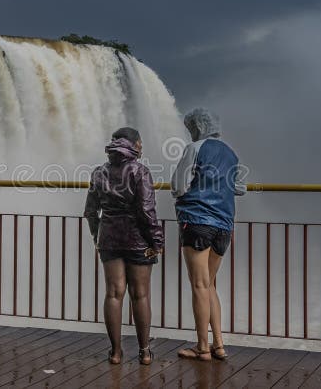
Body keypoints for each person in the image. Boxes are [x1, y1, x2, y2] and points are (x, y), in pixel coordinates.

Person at [171, 108, 246, 361]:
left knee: (199, 285)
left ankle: (202, 347)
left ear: (198, 126)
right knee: (210, 285)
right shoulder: (230, 153)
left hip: (197, 222)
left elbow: (179, 186)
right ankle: (219, 345)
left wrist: (184, 194)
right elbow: (238, 187)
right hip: (224, 225)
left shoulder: (195, 148)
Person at [84, 127, 164, 366]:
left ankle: (116, 352)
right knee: (140, 295)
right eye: (140, 142)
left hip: (109, 238)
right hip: (138, 240)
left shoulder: (99, 173)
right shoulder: (140, 172)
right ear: (134, 145)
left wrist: (97, 235)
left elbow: (90, 211)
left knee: (113, 293)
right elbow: (147, 212)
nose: (141, 146)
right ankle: (145, 352)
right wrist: (156, 242)